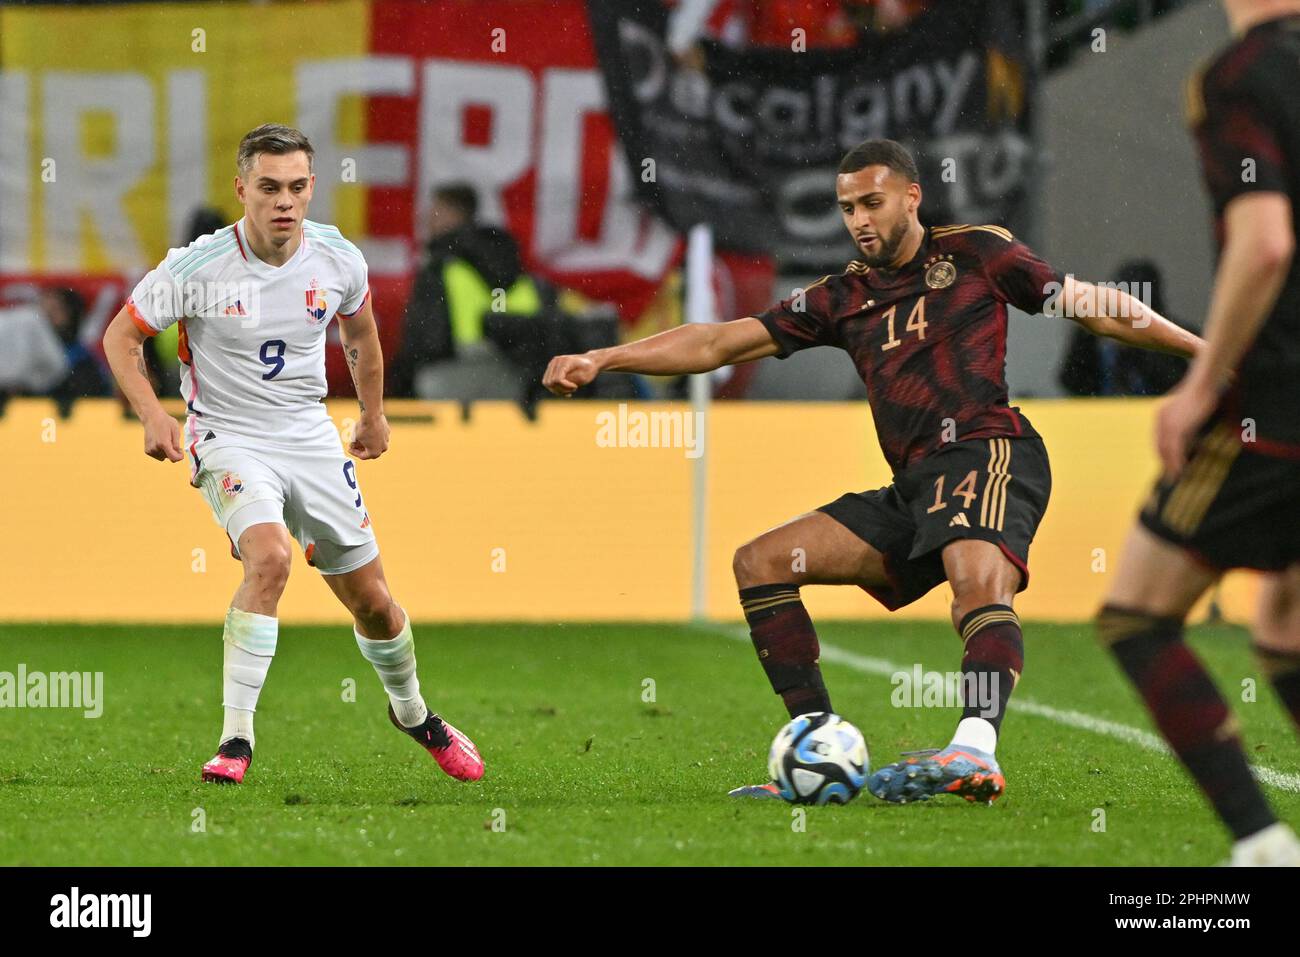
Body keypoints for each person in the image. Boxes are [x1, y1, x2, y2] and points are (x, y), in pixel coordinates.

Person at [545, 138, 1201, 803]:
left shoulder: (977, 253)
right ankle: (814, 747)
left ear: (911, 197)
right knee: (761, 561)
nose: (858, 219)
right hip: (913, 487)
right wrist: (604, 358)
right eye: (846, 207)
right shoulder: (843, 297)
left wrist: (1206, 356)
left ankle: (973, 750)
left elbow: (1094, 304)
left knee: (975, 582)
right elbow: (717, 340)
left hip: (988, 449)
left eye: (871, 202)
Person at [101, 124, 484, 785]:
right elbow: (121, 337)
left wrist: (373, 412)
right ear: (242, 189)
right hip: (228, 434)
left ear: (312, 188)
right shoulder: (196, 266)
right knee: (271, 556)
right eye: (270, 187)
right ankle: (236, 739)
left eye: (298, 187)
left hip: (309, 436)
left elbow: (360, 328)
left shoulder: (337, 258)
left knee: (375, 604)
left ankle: (414, 712)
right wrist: (151, 413)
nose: (285, 201)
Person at [1097, 0, 1300, 866]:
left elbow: (1264, 245)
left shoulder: (1238, 75)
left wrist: (1202, 383)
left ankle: (1260, 843)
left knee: (1135, 612)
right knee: (1287, 630)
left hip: (1280, 402)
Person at [389, 183, 539, 398]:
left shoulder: (442, 266)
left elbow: (428, 337)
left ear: (453, 214)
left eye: (435, 210)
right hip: (514, 375)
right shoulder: (508, 258)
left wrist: (402, 383)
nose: (427, 219)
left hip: (453, 375)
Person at [1058, 260, 1188, 396]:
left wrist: (1140, 344)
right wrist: (1086, 337)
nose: (1122, 316)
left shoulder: (1171, 340)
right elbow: (1071, 383)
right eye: (1117, 304)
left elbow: (1174, 384)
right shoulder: (1092, 335)